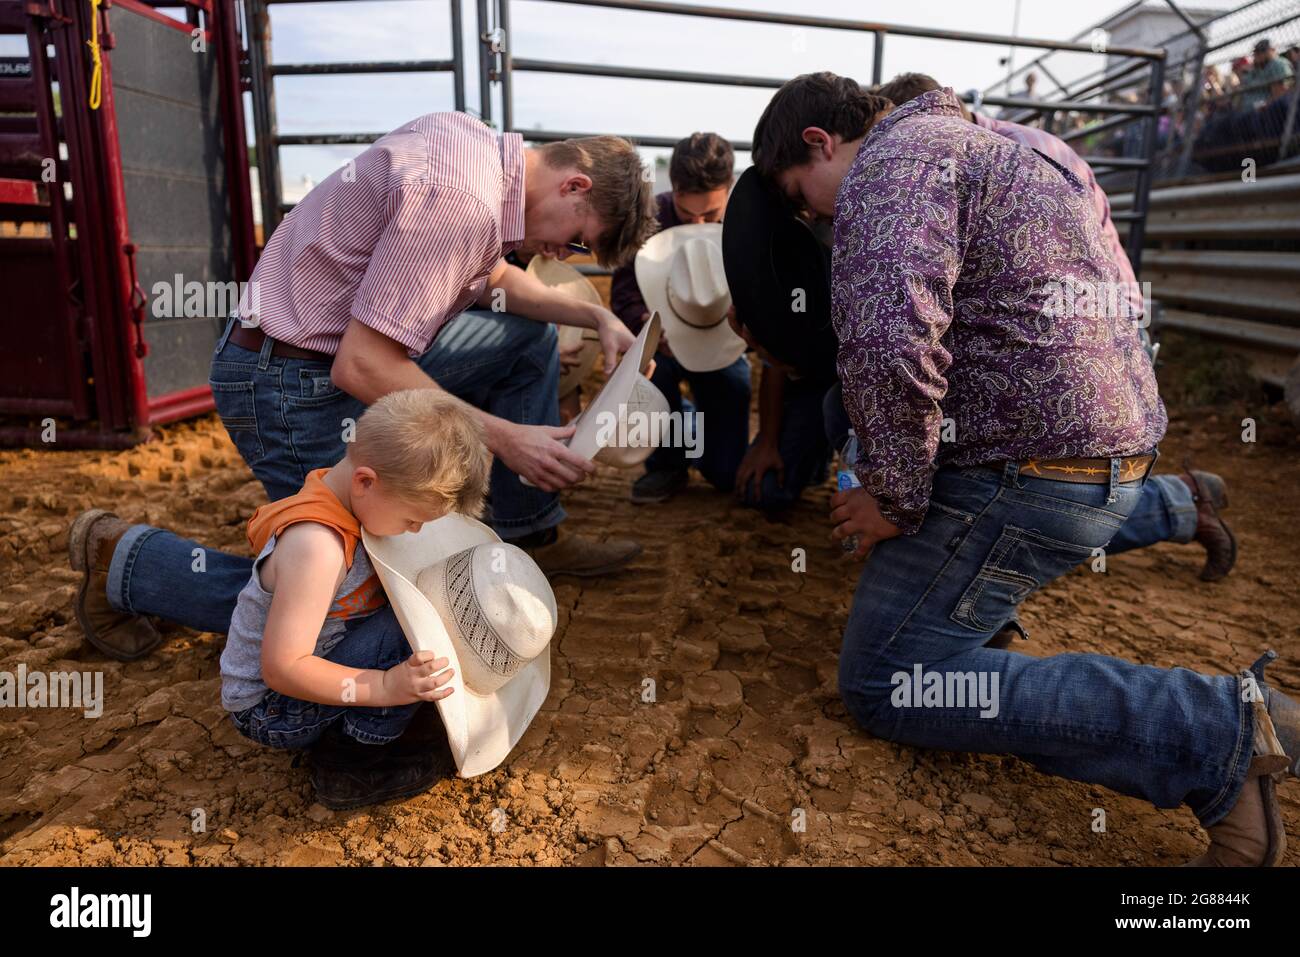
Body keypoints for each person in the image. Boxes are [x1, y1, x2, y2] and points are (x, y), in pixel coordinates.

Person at [749, 71, 1300, 866]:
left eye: (804, 196)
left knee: (890, 679)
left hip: (1033, 472)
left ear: (819, 144)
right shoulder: (1001, 151)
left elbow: (887, 343)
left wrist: (893, 499)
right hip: (1107, 457)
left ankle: (1213, 731)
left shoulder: (893, 164)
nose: (817, 218)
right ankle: (1117, 556)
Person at [82, 112, 661, 667]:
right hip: (289, 385)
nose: (564, 256)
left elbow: (490, 277)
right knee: (361, 591)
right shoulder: (461, 201)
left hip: (332, 353)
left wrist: (596, 317)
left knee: (527, 338)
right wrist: (507, 439)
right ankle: (128, 562)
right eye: (578, 241)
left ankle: (529, 528)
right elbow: (362, 367)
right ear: (573, 185)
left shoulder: (480, 151)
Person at [70, 390, 489, 808]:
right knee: (405, 631)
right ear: (365, 482)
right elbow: (283, 669)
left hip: (316, 667)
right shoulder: (317, 549)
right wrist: (383, 686)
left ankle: (131, 559)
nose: (414, 530)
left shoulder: (344, 492)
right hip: (272, 708)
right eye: (411, 519)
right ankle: (352, 762)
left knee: (405, 621)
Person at [610, 132, 753, 503]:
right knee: (654, 371)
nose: (699, 224)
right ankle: (668, 463)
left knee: (725, 474)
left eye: (710, 215)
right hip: (665, 342)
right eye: (689, 214)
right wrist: (650, 327)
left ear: (730, 187)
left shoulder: (747, 222)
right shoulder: (646, 220)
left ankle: (696, 436)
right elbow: (624, 294)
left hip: (723, 338)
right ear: (673, 187)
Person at [1241, 38, 1294, 110]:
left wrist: (1263, 106)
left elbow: (1280, 92)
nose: (1257, 55)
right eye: (1257, 52)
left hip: (1272, 111)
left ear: (1272, 50)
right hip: (1255, 112)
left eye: (1262, 51)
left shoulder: (1277, 64)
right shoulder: (1259, 69)